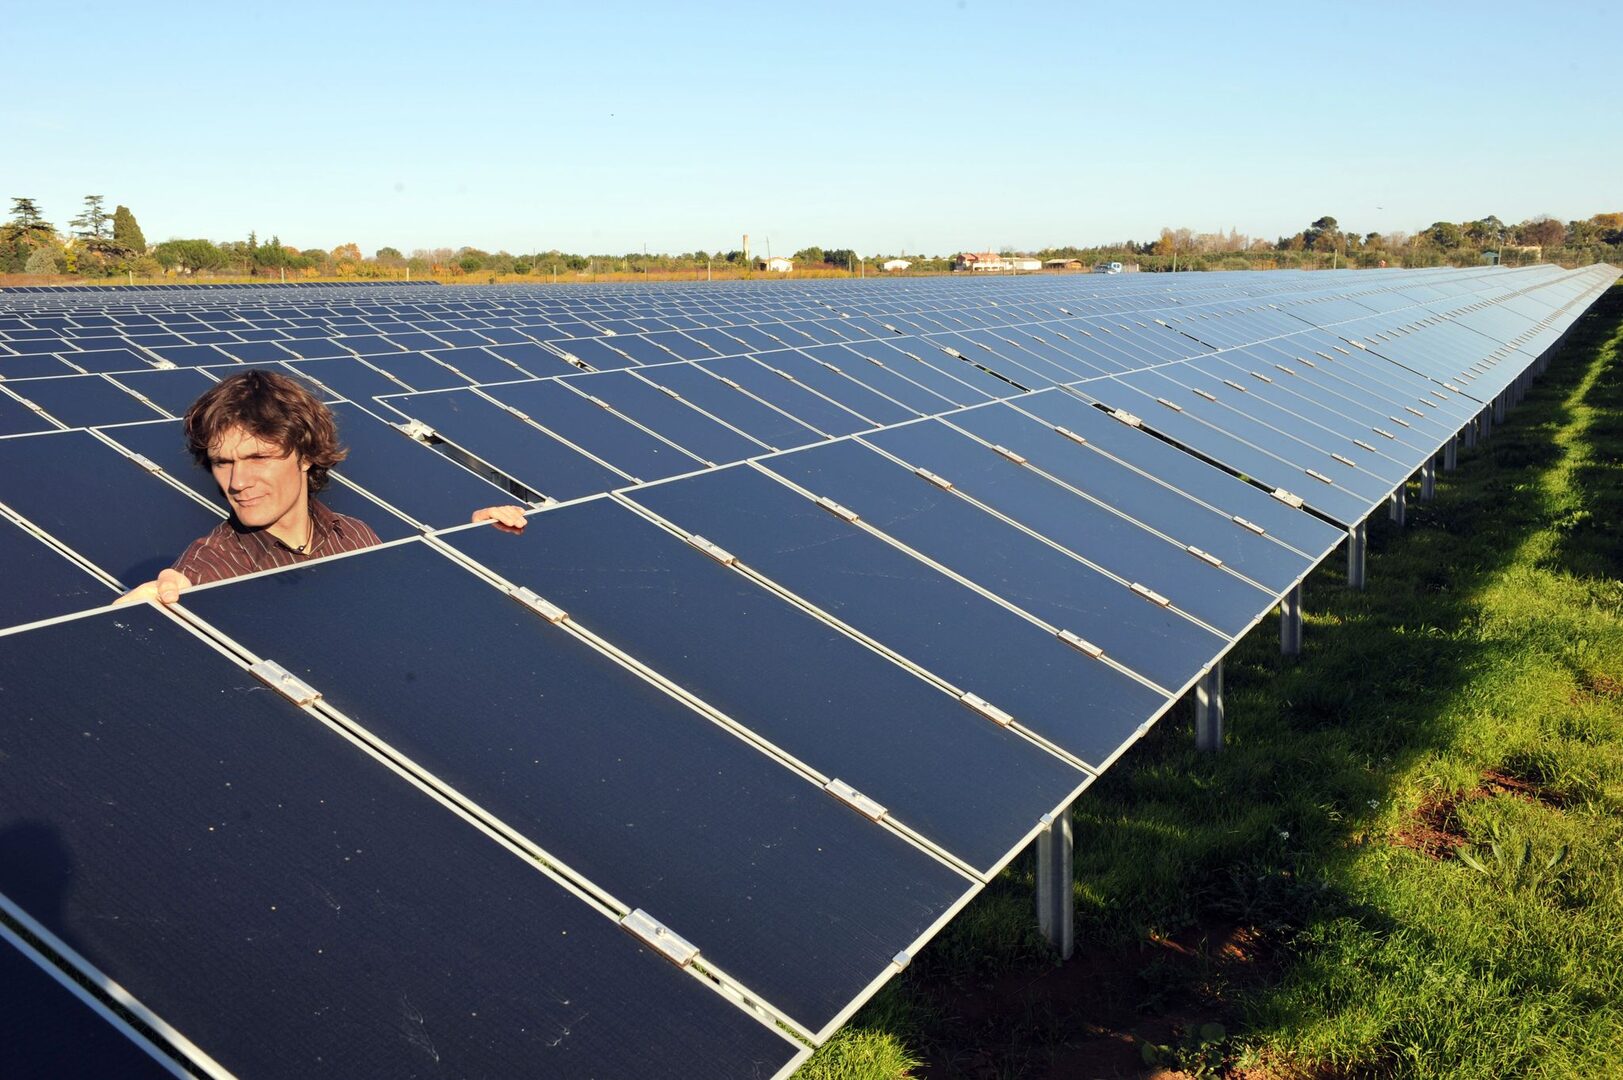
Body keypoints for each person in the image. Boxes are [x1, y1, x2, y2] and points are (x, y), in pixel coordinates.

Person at [117, 369, 526, 605]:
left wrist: (473, 542)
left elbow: (402, 618)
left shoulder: (354, 535)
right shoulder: (208, 575)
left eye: (259, 458)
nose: (238, 482)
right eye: (223, 463)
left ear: (306, 454)